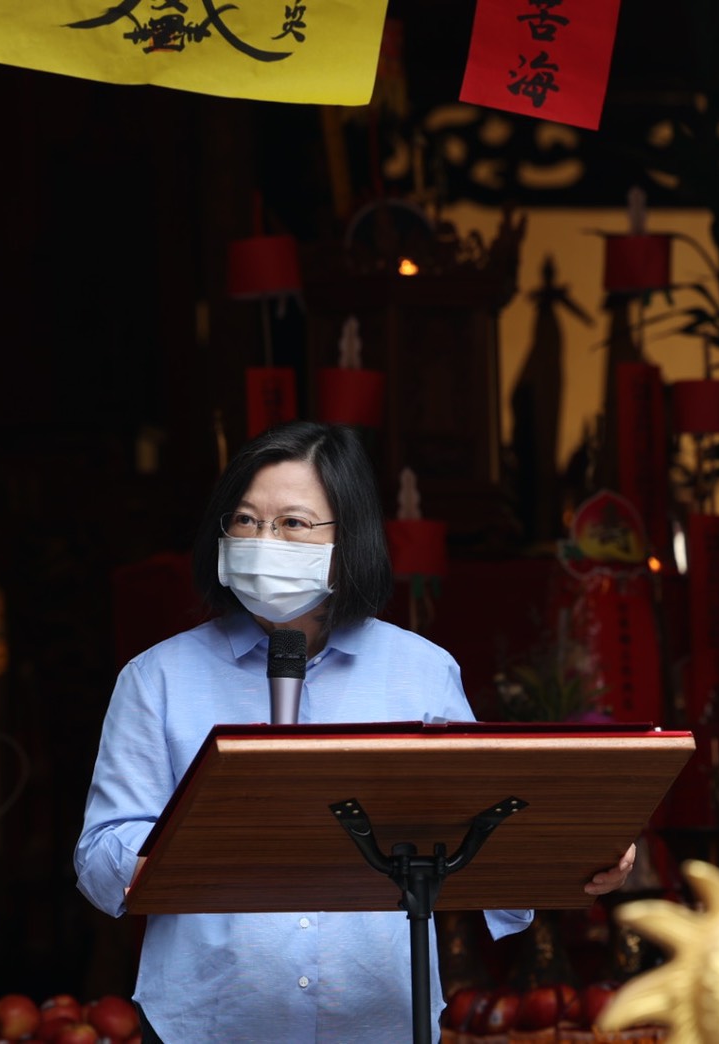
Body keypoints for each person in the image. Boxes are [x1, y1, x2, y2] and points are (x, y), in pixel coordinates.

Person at [74, 421, 637, 1043]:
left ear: (350, 540)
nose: (264, 540)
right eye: (244, 521)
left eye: (292, 523)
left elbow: (481, 828)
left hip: (381, 1020)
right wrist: (179, 857)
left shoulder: (421, 671)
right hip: (207, 1022)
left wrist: (574, 856)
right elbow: (101, 854)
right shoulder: (157, 678)